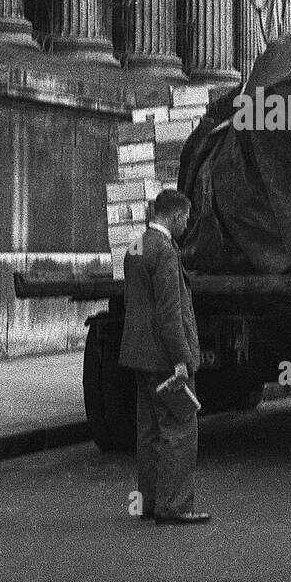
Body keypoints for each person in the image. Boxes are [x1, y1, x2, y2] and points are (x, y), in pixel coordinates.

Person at [119, 189, 207, 525]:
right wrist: (182, 359)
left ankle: (148, 501)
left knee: (149, 430)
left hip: (139, 354)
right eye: (186, 217)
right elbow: (170, 314)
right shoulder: (166, 252)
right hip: (164, 357)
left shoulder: (136, 246)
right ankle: (175, 506)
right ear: (174, 216)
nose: (187, 223)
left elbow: (136, 303)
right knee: (180, 428)